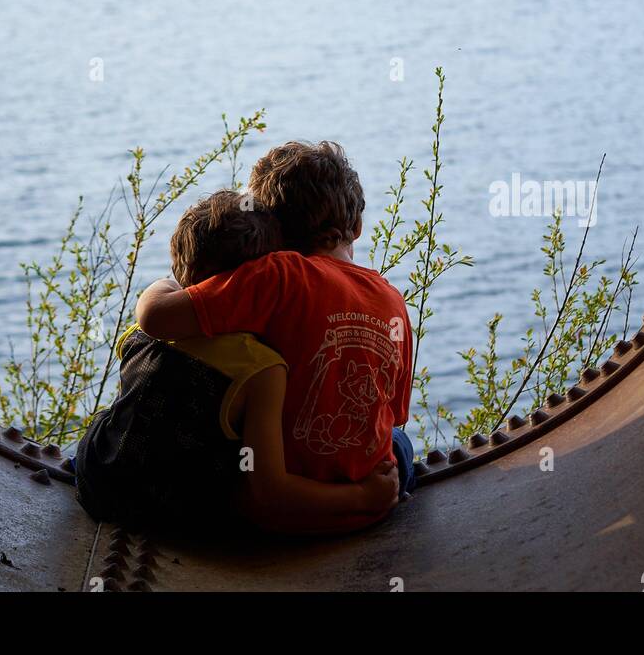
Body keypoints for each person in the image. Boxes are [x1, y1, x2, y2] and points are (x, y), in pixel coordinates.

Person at [74, 188, 400, 534]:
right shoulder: (262, 369)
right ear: (254, 278)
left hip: (97, 475)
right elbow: (270, 489)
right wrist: (365, 495)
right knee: (399, 447)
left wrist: (170, 284)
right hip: (176, 512)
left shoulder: (142, 333)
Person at [136, 142, 418, 502]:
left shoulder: (276, 275)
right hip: (373, 495)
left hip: (282, 502)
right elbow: (392, 414)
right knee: (399, 441)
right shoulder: (393, 300)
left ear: (274, 230)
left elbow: (154, 317)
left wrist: (169, 284)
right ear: (358, 226)